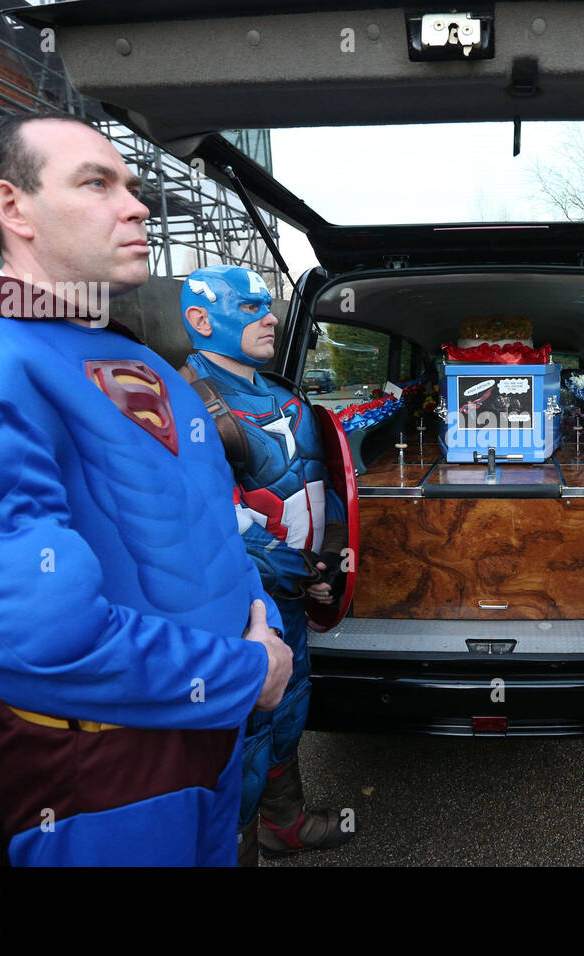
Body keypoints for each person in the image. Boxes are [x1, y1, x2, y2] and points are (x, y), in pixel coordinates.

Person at [0, 112, 292, 866]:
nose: (138, 205)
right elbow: (31, 639)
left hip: (209, 741)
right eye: (97, 183)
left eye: (132, 184)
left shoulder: (129, 356)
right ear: (12, 208)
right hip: (101, 780)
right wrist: (246, 673)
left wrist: (264, 625)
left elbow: (202, 528)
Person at [180, 264, 355, 863]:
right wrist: (305, 572)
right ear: (200, 320)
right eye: (250, 306)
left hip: (296, 597)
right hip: (240, 606)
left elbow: (327, 485)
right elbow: (209, 524)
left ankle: (286, 823)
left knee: (289, 708)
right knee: (246, 732)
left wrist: (329, 565)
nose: (270, 315)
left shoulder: (287, 396)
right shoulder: (183, 405)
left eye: (267, 304)